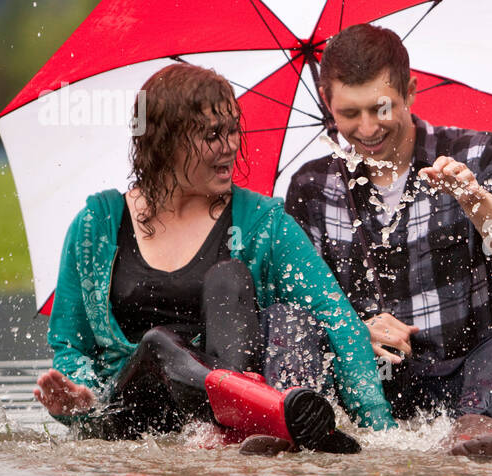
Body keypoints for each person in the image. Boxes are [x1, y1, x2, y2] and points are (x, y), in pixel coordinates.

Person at [34, 62, 395, 454]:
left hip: (220, 423)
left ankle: (245, 424)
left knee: (231, 278)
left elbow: (339, 321)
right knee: (158, 344)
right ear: (163, 142)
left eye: (232, 129)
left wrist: (383, 436)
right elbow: (71, 347)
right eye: (212, 135)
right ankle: (267, 413)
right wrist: (80, 403)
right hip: (132, 418)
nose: (229, 146)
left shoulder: (262, 222)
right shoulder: (96, 225)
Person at [285, 23, 492, 453]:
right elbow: (301, 302)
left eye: (381, 108)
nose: (367, 128)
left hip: (469, 375)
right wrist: (356, 331)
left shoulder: (480, 153)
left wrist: (473, 198)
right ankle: (299, 435)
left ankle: (472, 451)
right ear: (328, 106)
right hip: (365, 382)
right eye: (350, 114)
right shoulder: (312, 184)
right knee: (289, 323)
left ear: (410, 91)